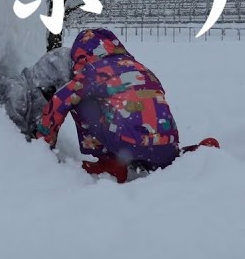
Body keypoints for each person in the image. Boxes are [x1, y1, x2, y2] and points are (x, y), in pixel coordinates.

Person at [29, 27, 218, 183]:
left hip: (125, 143)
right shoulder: (142, 69)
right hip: (167, 144)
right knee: (144, 109)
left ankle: (109, 162)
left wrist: (43, 143)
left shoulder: (91, 72)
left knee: (79, 99)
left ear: (82, 55)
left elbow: (59, 101)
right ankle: (191, 153)